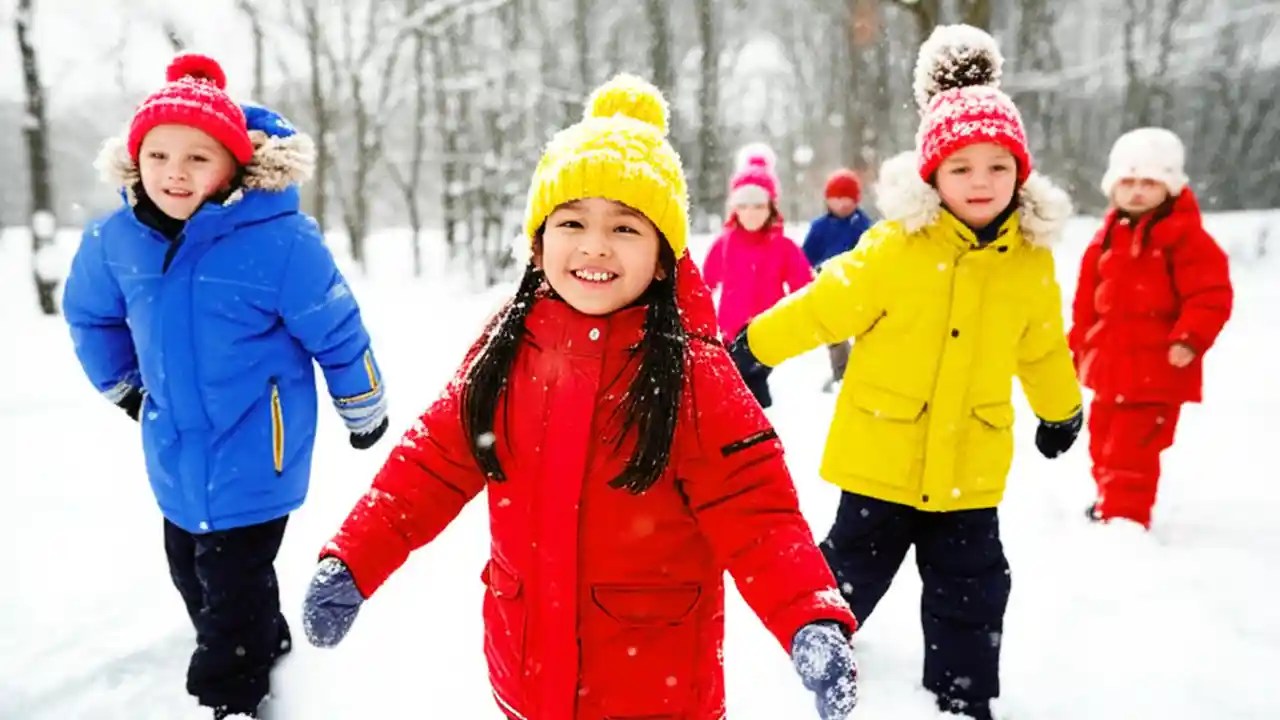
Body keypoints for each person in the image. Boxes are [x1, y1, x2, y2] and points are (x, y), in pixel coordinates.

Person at [300, 74, 858, 720]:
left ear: (663, 256)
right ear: (538, 243)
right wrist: (354, 558)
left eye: (625, 228)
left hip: (654, 688)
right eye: (571, 222)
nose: (593, 245)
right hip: (528, 673)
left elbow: (759, 516)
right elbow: (432, 463)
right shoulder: (506, 351)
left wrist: (809, 617)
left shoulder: (694, 373)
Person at [728, 25, 1082, 719]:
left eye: (997, 167)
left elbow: (1042, 345)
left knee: (973, 587)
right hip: (880, 456)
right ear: (932, 176)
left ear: (1020, 173)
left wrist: (1059, 408)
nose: (980, 181)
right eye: (961, 168)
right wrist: (756, 345)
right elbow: (826, 306)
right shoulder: (894, 248)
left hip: (969, 468)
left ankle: (963, 692)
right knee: (851, 565)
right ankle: (816, 636)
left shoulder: (1029, 262)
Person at [62, 53, 389, 719]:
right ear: (135, 160)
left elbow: (336, 327)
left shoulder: (280, 241)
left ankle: (232, 697)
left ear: (234, 167)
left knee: (230, 583)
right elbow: (90, 315)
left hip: (257, 451)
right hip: (175, 451)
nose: (173, 173)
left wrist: (362, 405)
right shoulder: (116, 239)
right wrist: (123, 384)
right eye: (157, 155)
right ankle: (262, 640)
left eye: (196, 158)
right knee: (192, 570)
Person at [1069, 127, 1233, 529]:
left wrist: (1189, 339)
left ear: (1171, 187)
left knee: (1132, 450)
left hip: (1156, 371)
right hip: (1109, 369)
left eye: (1150, 182)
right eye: (1128, 181)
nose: (1138, 191)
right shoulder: (1107, 237)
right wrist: (1078, 346)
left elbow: (1210, 296)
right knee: (1103, 443)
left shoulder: (1186, 239)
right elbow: (1087, 301)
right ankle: (1110, 502)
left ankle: (1125, 519)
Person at [701, 143, 813, 407]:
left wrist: (799, 319)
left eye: (758, 206)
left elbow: (804, 288)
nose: (750, 213)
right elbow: (704, 285)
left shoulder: (783, 247)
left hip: (769, 332)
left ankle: (756, 428)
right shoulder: (725, 244)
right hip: (730, 332)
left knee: (749, 387)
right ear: (734, 209)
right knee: (738, 390)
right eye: (744, 205)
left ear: (771, 208)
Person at [802, 168, 873, 392]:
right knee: (834, 334)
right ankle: (841, 373)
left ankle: (865, 372)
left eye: (848, 199)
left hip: (858, 287)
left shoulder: (862, 225)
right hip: (829, 287)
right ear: (828, 200)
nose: (842, 204)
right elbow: (806, 257)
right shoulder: (819, 227)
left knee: (865, 331)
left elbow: (873, 254)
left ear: (856, 200)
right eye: (837, 198)